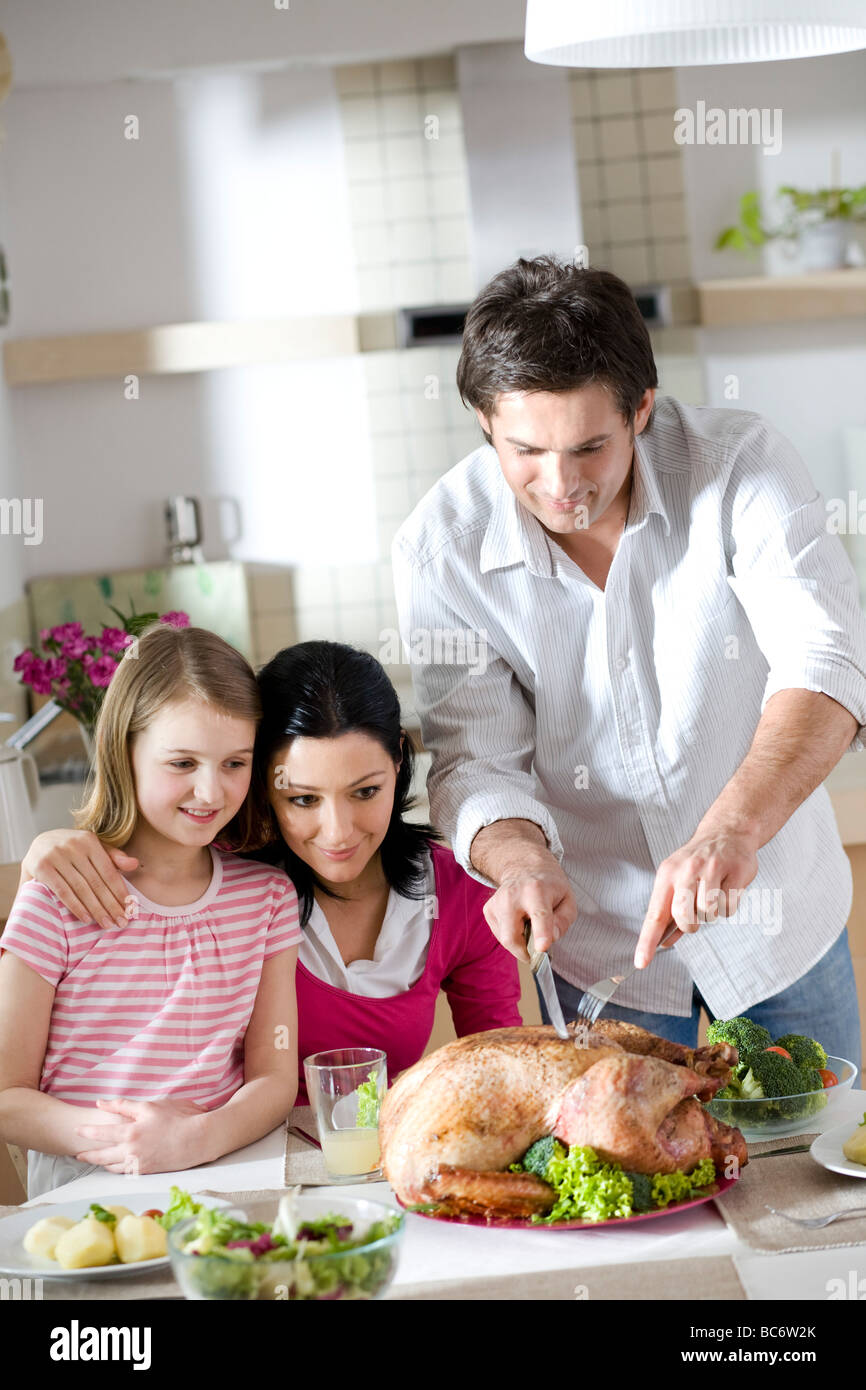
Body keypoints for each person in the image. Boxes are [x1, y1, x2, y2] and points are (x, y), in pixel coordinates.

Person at [392, 254, 866, 1069]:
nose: (561, 484)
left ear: (642, 407)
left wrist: (732, 831)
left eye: (589, 447)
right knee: (636, 1183)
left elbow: (824, 659)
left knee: (822, 1174)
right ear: (482, 421)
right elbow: (476, 760)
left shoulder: (740, 465)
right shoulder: (442, 551)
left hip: (777, 919)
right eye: (526, 451)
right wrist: (519, 861)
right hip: (603, 950)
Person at [20, 641, 522, 1102]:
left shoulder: (458, 891)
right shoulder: (224, 873)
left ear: (399, 765)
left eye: (365, 791)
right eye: (302, 798)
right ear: (261, 783)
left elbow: (505, 1063)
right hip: (240, 1164)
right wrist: (42, 852)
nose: (338, 832)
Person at [0, 624, 301, 1197]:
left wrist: (196, 1139)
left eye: (234, 763)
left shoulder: (267, 900)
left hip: (230, 1170)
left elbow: (274, 1074)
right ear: (125, 750)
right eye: (182, 762)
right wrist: (122, 1139)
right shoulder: (56, 896)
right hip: (88, 1184)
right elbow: (5, 1096)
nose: (211, 792)